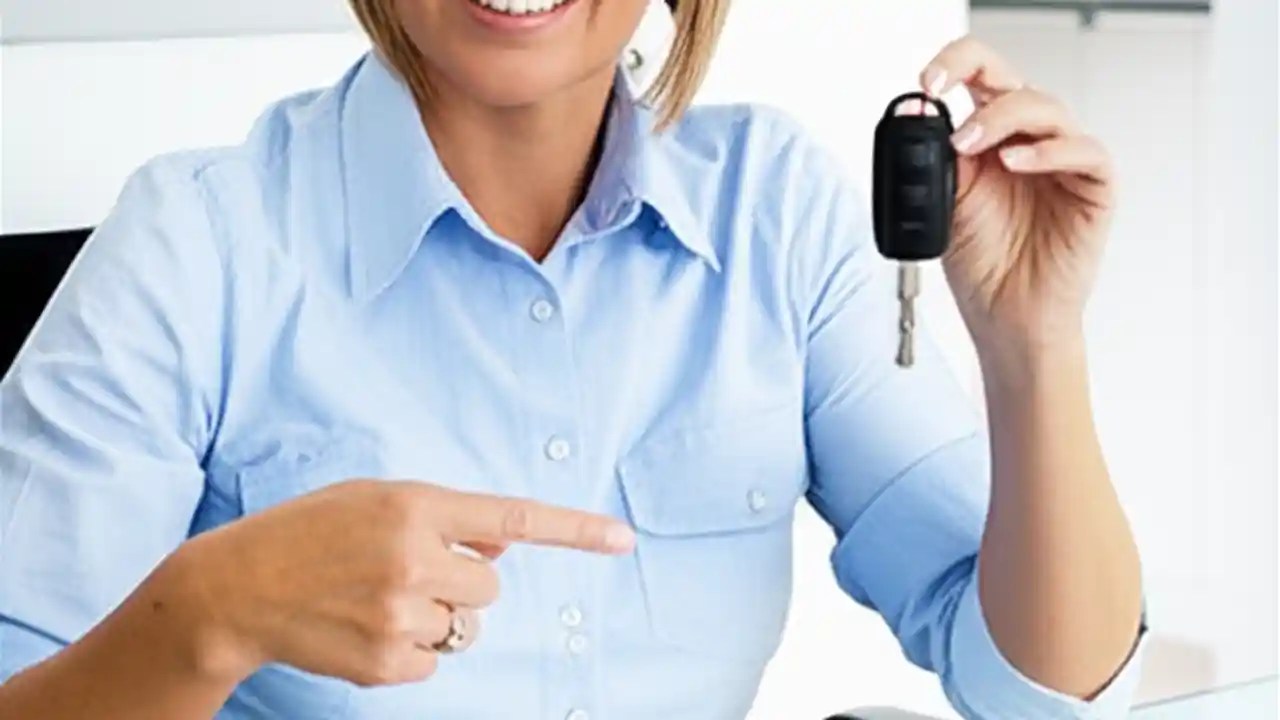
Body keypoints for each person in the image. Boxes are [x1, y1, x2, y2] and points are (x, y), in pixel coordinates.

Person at [0, 0, 1146, 717]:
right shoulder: (193, 240)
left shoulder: (774, 211)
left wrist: (1030, 347)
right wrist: (217, 610)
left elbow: (1039, 689)